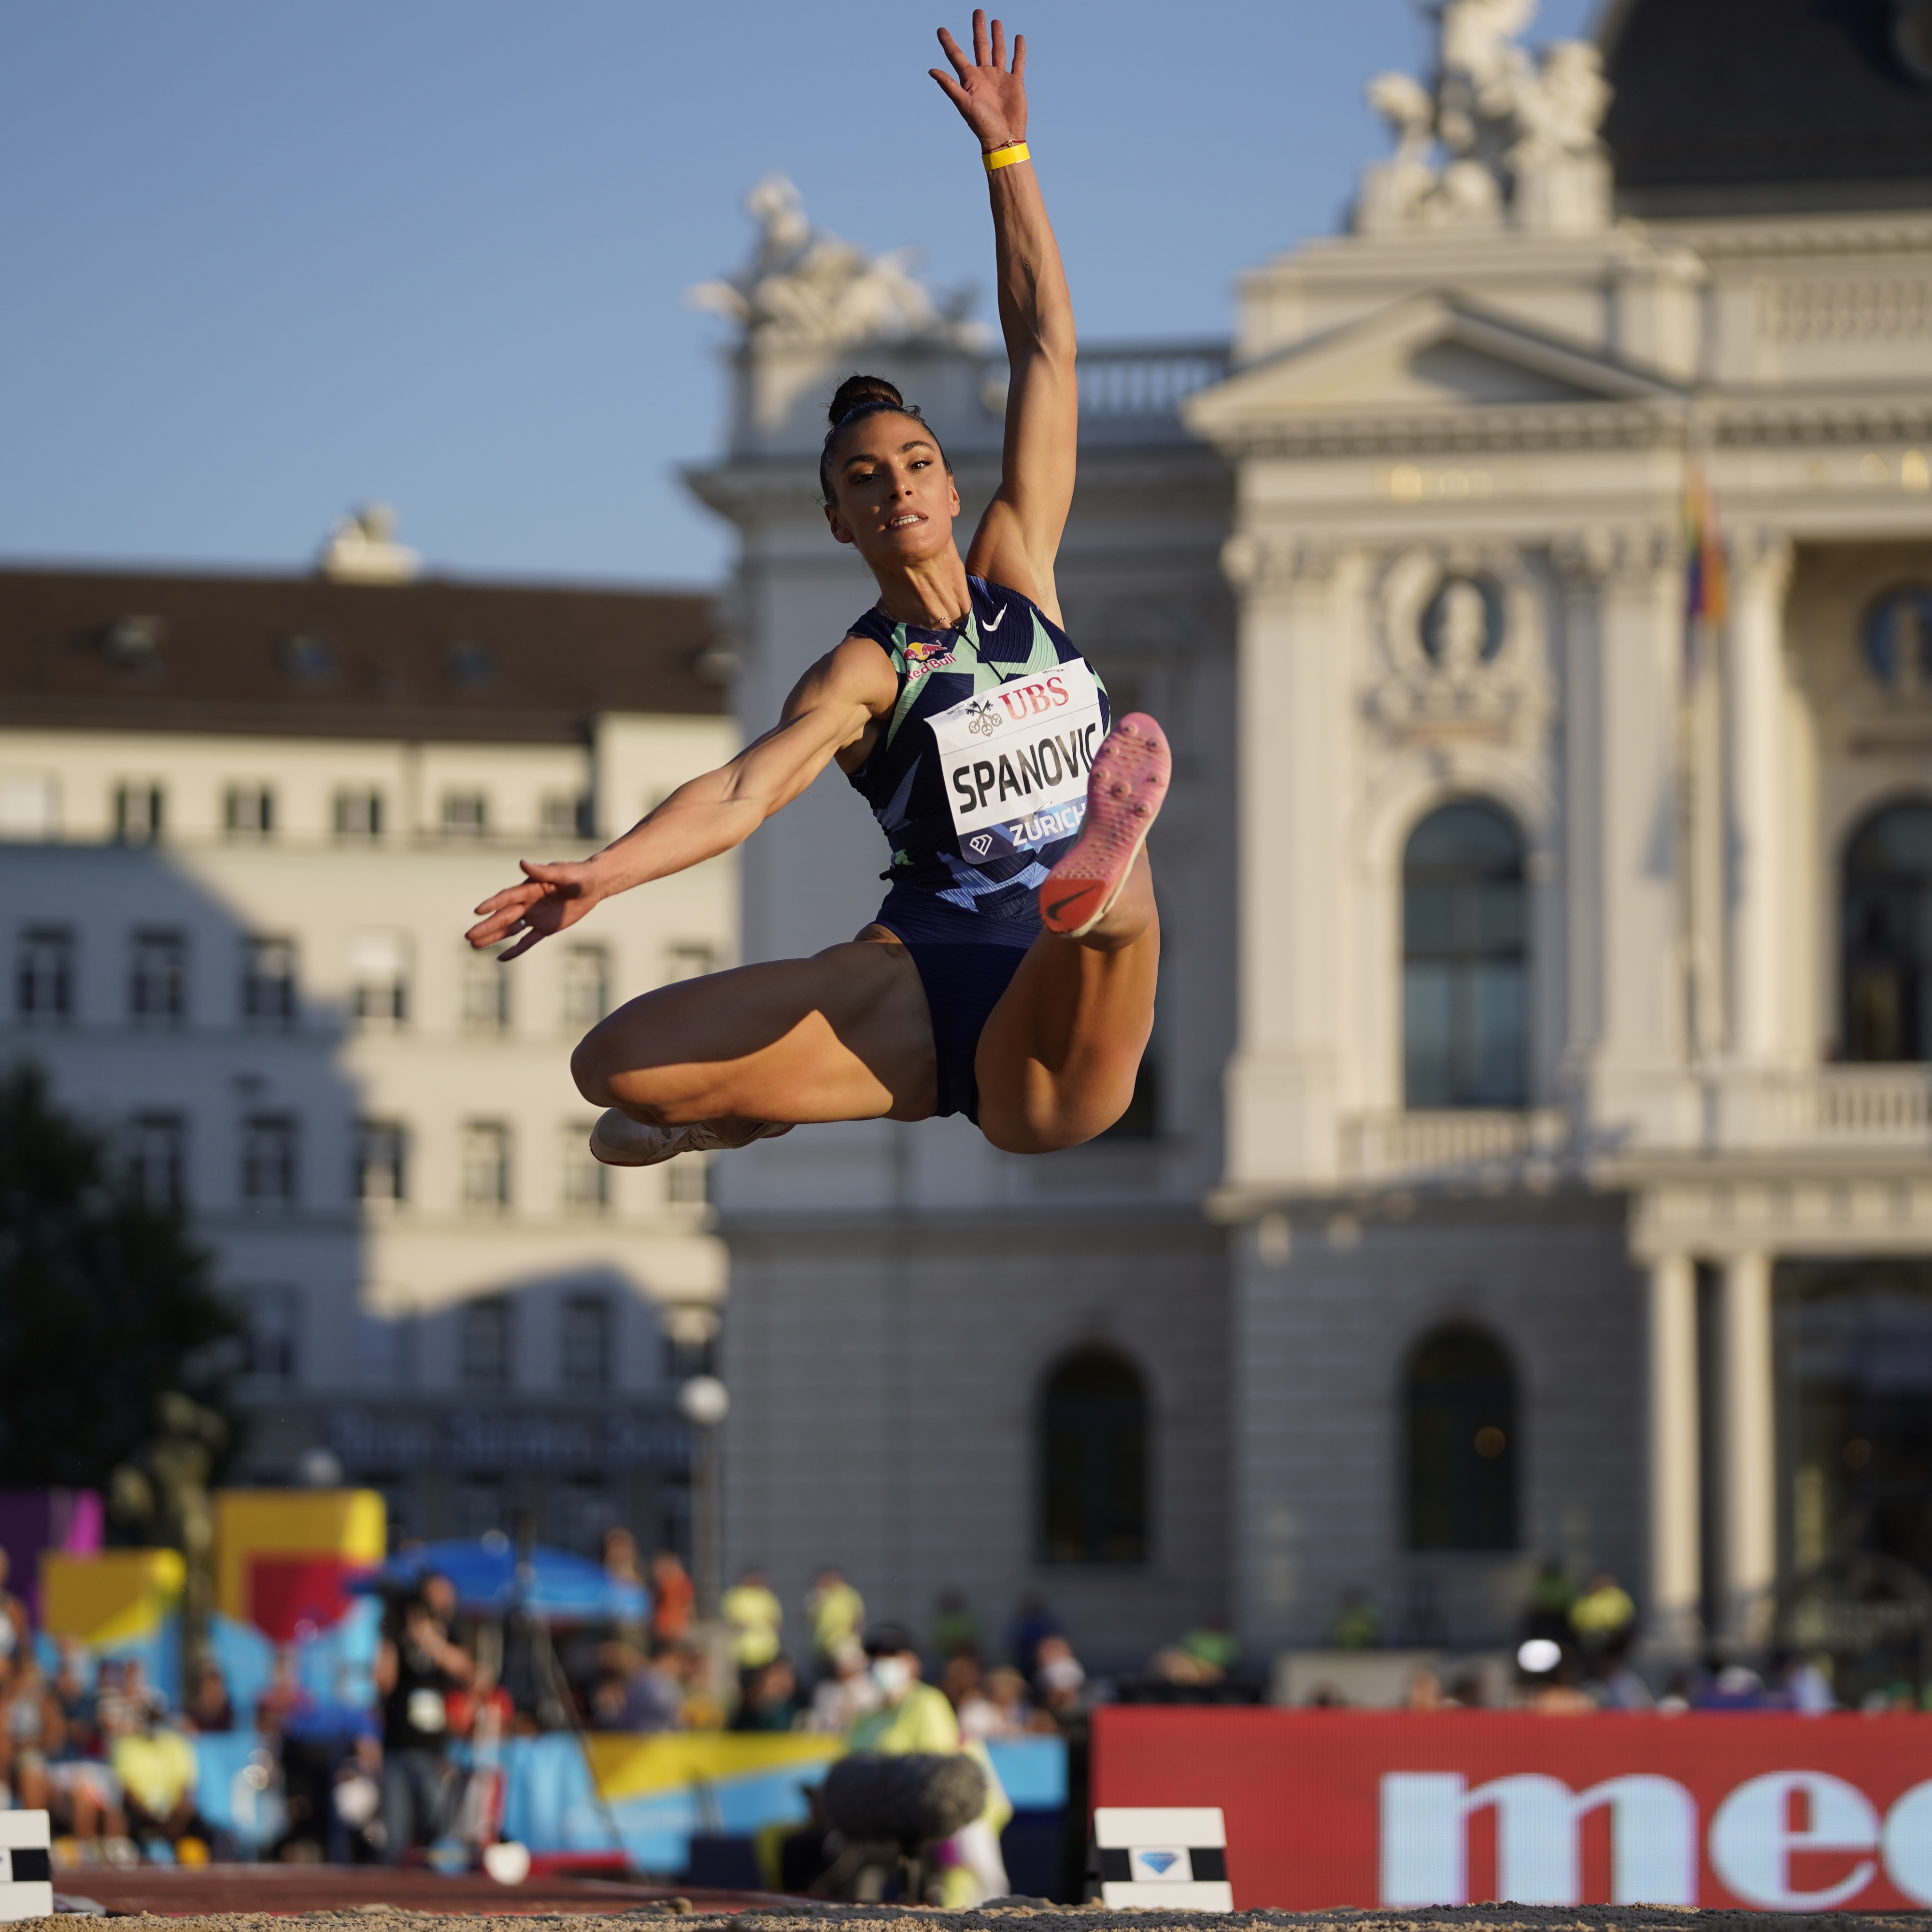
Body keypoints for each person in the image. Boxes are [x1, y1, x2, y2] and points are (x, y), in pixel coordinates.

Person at [466, 10, 1169, 1165]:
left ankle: (1098, 864)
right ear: (837, 519)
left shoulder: (1020, 578)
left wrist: (1007, 158)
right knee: (614, 1067)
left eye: (915, 464)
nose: (894, 486)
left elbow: (1044, 343)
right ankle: (727, 1107)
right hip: (919, 978)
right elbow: (742, 793)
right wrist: (603, 874)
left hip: (1058, 1009)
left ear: (949, 487)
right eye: (862, 478)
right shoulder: (863, 671)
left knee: (1115, 909)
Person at [849, 1626, 1010, 1907]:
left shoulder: (927, 1703)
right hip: (892, 1821)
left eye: (890, 1655)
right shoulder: (866, 1717)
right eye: (874, 1656)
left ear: (913, 1663)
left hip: (959, 1815)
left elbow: (939, 1777)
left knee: (971, 1888)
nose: (880, 1663)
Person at [374, 1574, 475, 1862]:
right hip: (398, 1744)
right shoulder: (395, 1633)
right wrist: (395, 1634)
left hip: (434, 1749)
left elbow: (466, 1670)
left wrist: (429, 1638)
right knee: (397, 1832)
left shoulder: (450, 1633)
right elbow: (383, 1682)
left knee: (440, 1823)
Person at [721, 1568, 784, 1676]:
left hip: (766, 1652)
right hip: (742, 1653)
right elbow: (732, 1621)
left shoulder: (767, 1596)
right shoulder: (736, 1596)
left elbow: (776, 1622)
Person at [806, 1570, 867, 1675]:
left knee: (848, 1672)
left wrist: (853, 1637)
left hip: (844, 1641)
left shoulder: (848, 1594)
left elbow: (859, 1617)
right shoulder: (818, 1596)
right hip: (822, 1645)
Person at [649, 1550, 696, 1649]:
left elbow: (688, 1605)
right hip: (665, 1628)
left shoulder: (680, 1583)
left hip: (675, 1627)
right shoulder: (659, 1585)